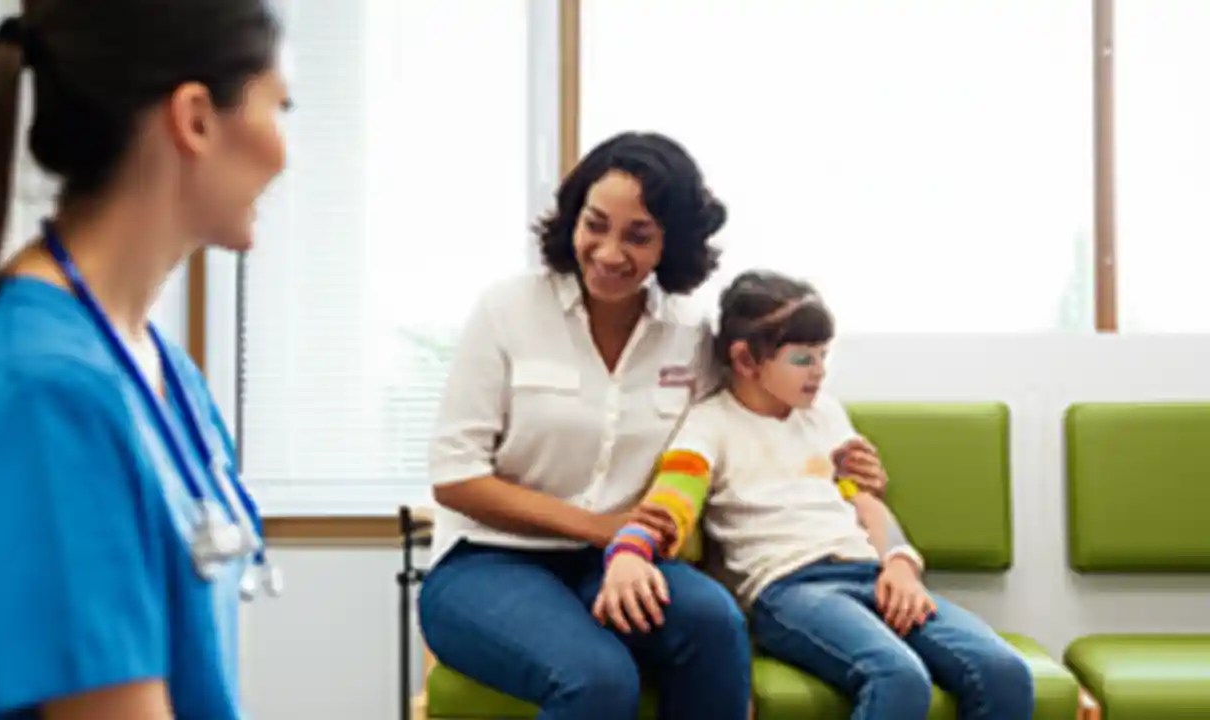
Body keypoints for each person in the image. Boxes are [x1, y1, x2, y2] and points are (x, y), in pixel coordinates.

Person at [0, 2, 288, 718]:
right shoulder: (38, 389)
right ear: (194, 119)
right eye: (281, 107)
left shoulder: (163, 373)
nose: (286, 151)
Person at [595, 270, 1036, 720]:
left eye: (824, 355)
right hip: (790, 589)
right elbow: (672, 502)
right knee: (898, 677)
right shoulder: (709, 424)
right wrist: (629, 551)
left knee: (1004, 672)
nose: (820, 371)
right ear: (746, 360)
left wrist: (901, 565)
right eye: (804, 358)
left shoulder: (825, 414)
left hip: (869, 574)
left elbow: (863, 502)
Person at [420, 132, 756, 719]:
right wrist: (601, 529)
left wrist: (841, 454)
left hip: (622, 556)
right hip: (486, 562)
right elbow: (455, 478)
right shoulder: (507, 309)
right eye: (594, 224)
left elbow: (717, 444)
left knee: (714, 624)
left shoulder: (690, 334)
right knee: (598, 679)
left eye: (638, 236)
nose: (608, 251)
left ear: (670, 244)